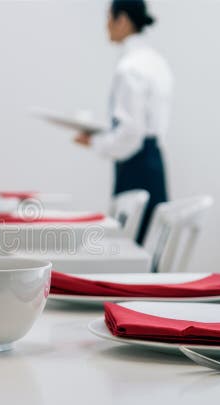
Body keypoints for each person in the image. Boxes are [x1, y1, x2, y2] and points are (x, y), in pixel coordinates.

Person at [74, 0, 173, 244]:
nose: (106, 25)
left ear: (123, 20)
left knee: (130, 247)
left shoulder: (130, 68)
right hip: (154, 162)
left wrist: (96, 142)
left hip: (135, 166)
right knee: (149, 245)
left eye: (109, 18)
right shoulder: (156, 61)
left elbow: (131, 132)